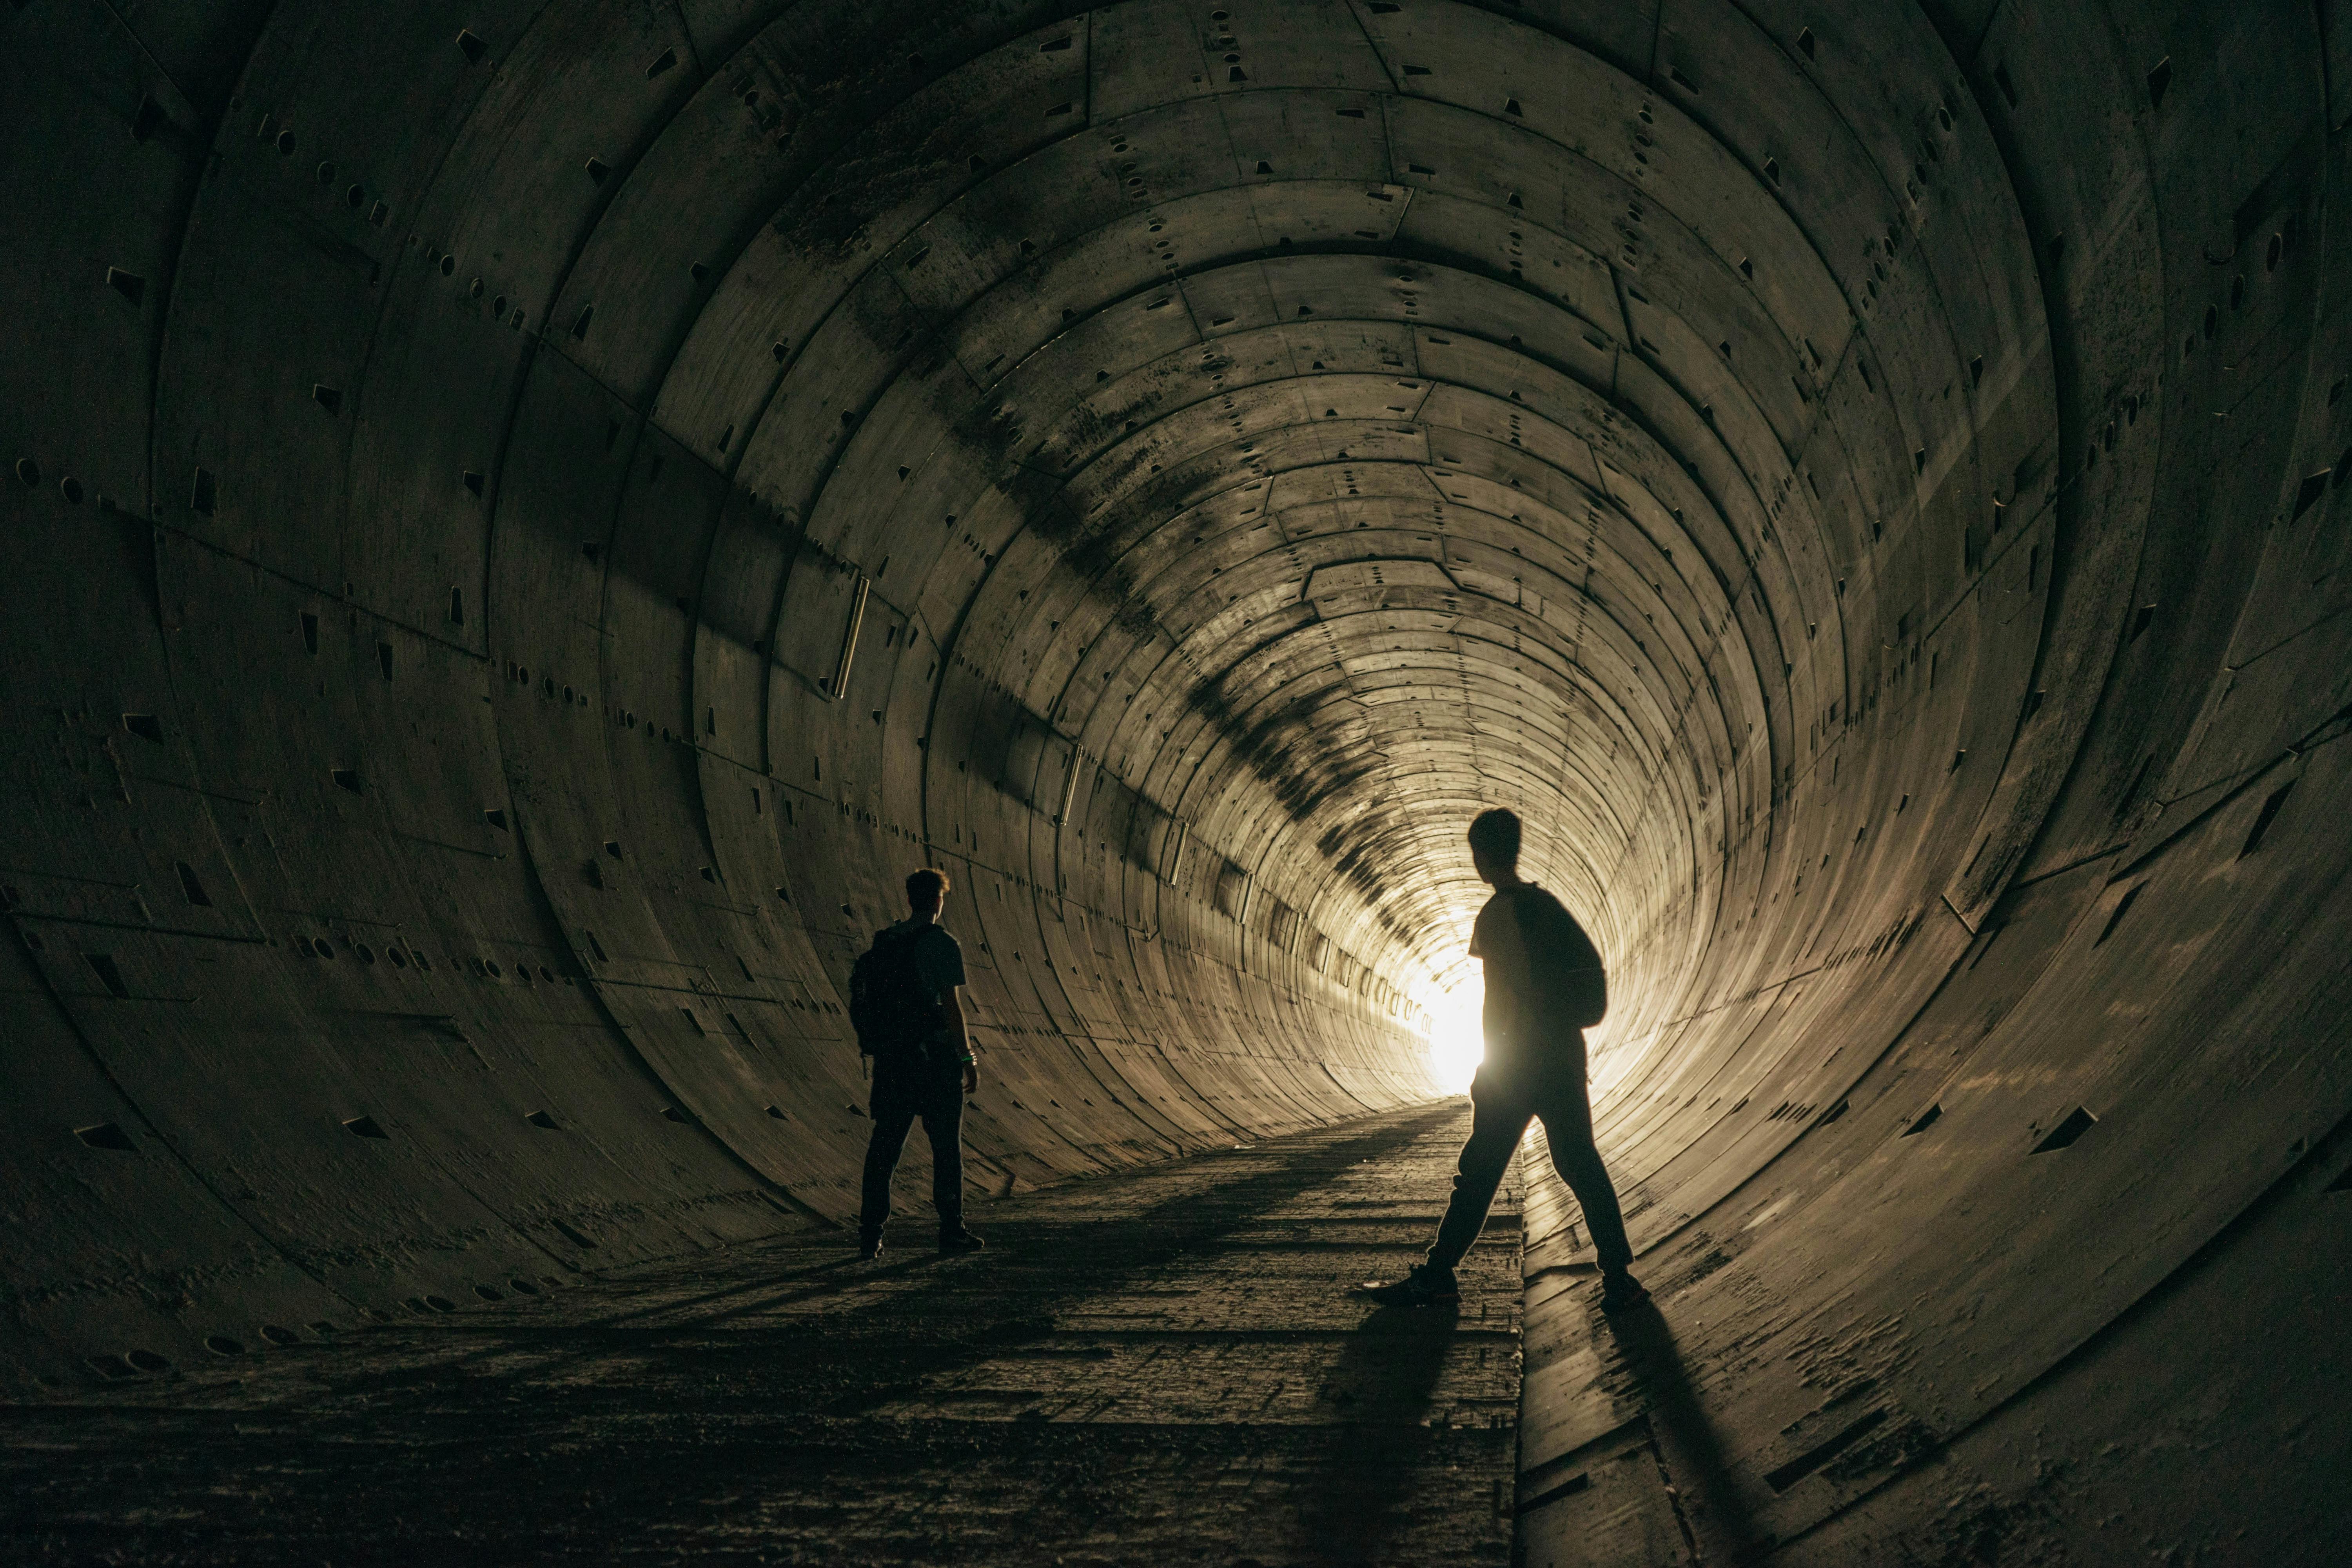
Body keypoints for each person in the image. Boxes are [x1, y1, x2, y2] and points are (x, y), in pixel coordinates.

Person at [1363, 808, 1648, 1312]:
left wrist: (1487, 1066)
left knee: (1480, 1172)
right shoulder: (1548, 905)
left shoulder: (1497, 915)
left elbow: (1496, 1001)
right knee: (1580, 1162)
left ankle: (1439, 1274)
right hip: (1562, 1056)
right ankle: (1619, 1276)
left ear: (1480, 856)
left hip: (1518, 1064)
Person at [853, 867, 985, 1261]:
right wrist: (967, 1057)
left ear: (910, 899)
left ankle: (871, 1234)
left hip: (894, 1060)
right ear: (939, 901)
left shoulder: (886, 942)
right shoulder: (943, 944)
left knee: (885, 1148)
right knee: (946, 1149)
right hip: (935, 1061)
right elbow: (953, 1009)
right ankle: (951, 1231)